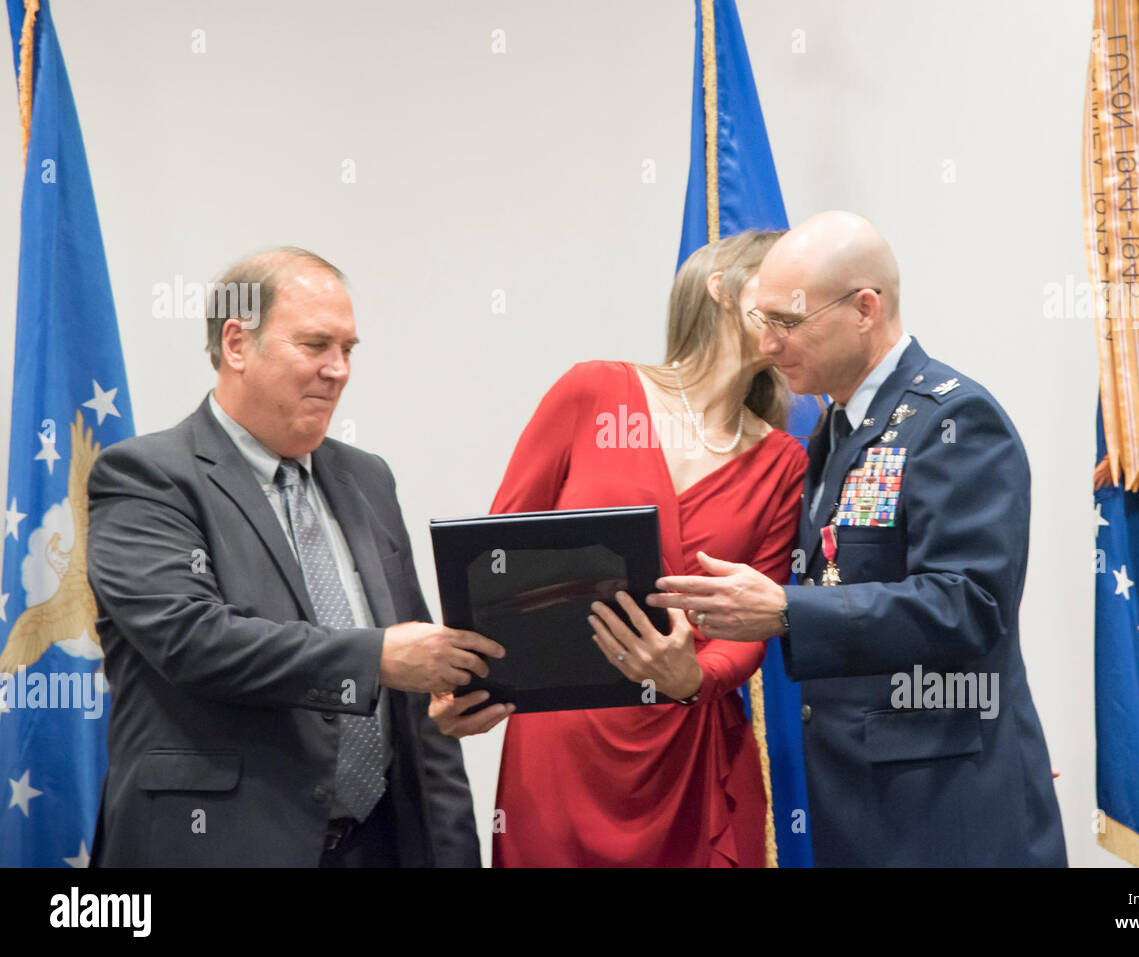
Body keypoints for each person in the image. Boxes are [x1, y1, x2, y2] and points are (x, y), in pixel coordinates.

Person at [648, 211, 1068, 866]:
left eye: (786, 322)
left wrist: (789, 610)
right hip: (860, 806)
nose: (766, 344)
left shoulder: (953, 419)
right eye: (761, 321)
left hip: (944, 811)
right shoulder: (834, 430)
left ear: (865, 309)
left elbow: (969, 604)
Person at [86, 247, 505, 867]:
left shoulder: (367, 478)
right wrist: (377, 659)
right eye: (315, 345)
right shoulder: (146, 476)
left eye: (349, 349)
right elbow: (192, 639)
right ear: (236, 344)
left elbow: (413, 689)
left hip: (380, 845)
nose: (338, 370)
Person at [432, 230, 807, 867]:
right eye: (779, 283)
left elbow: (757, 621)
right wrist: (467, 681)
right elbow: (494, 560)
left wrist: (693, 677)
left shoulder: (784, 461)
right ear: (720, 287)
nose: (797, 301)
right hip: (565, 745)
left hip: (690, 748)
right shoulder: (593, 392)